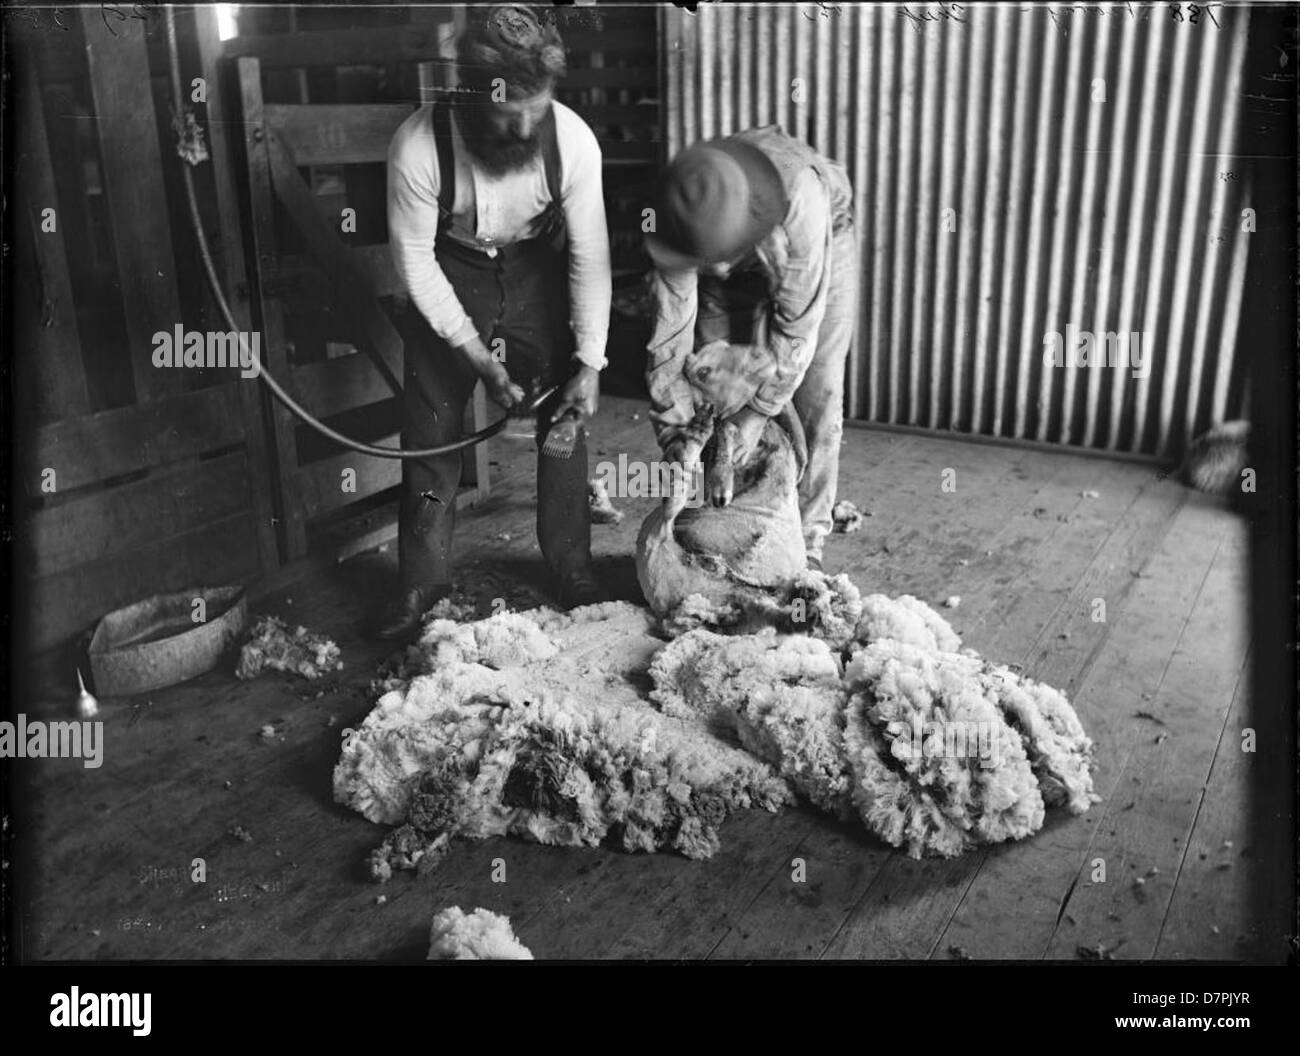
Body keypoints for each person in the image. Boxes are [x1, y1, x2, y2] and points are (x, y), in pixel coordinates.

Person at [375, 4, 612, 639]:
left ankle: (572, 565)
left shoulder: (572, 141)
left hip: (536, 266)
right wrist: (479, 359)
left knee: (565, 416)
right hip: (450, 268)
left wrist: (590, 362)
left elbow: (591, 256)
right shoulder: (418, 147)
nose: (524, 127)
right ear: (474, 97)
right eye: (510, 114)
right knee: (428, 429)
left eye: (536, 111)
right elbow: (416, 265)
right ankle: (421, 584)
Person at [644, 126, 857, 572]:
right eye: (707, 263)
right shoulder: (681, 212)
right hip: (728, 239)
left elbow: (796, 332)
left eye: (718, 260)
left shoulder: (803, 200)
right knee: (710, 385)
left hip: (817, 244)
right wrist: (676, 436)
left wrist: (759, 411)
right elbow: (669, 341)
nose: (716, 269)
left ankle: (809, 540)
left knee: (819, 388)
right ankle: (724, 524)